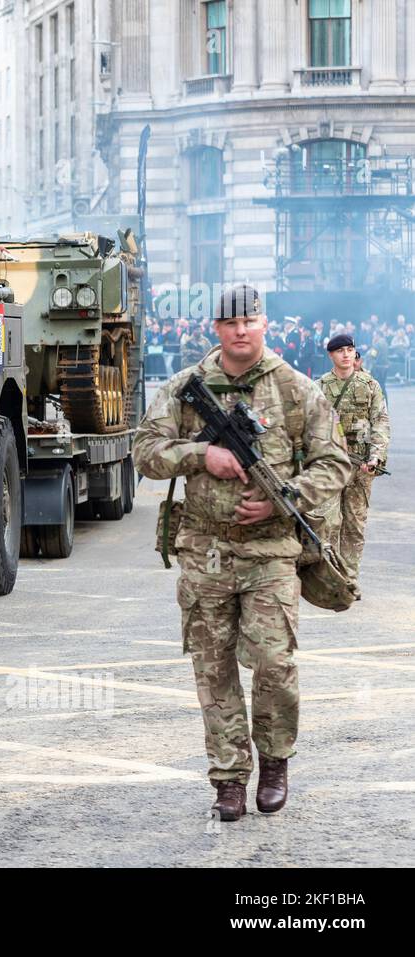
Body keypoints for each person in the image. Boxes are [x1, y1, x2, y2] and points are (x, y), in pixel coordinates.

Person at [134, 285, 351, 823]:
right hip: (204, 548)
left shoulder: (297, 390)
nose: (240, 331)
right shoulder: (186, 388)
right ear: (216, 328)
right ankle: (229, 778)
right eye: (230, 323)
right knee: (213, 669)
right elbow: (144, 450)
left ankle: (275, 761)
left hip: (272, 552)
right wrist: (200, 454)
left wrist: (286, 500)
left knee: (275, 664)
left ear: (264, 324)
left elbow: (335, 463)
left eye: (250, 321)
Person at [316, 334, 389, 583]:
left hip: (361, 465)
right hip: (330, 463)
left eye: (350, 349)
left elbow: (381, 422)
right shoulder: (320, 387)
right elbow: (309, 426)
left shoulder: (370, 386)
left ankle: (349, 578)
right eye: (340, 351)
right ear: (331, 355)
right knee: (328, 522)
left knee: (354, 525)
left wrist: (376, 457)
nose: (346, 354)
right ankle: (330, 577)